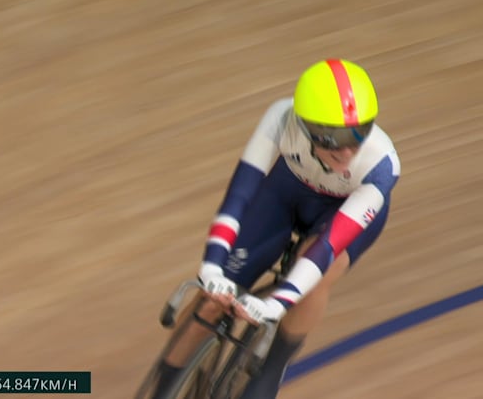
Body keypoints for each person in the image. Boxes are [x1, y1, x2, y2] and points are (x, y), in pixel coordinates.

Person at [153, 58, 400, 399]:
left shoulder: (381, 166)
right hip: (285, 194)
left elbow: (326, 247)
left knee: (313, 279)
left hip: (342, 215)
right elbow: (239, 196)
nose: (347, 149)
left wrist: (278, 303)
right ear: (306, 126)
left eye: (359, 132)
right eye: (334, 136)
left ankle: (273, 367)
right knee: (210, 301)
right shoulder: (282, 118)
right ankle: (160, 390)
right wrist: (212, 267)